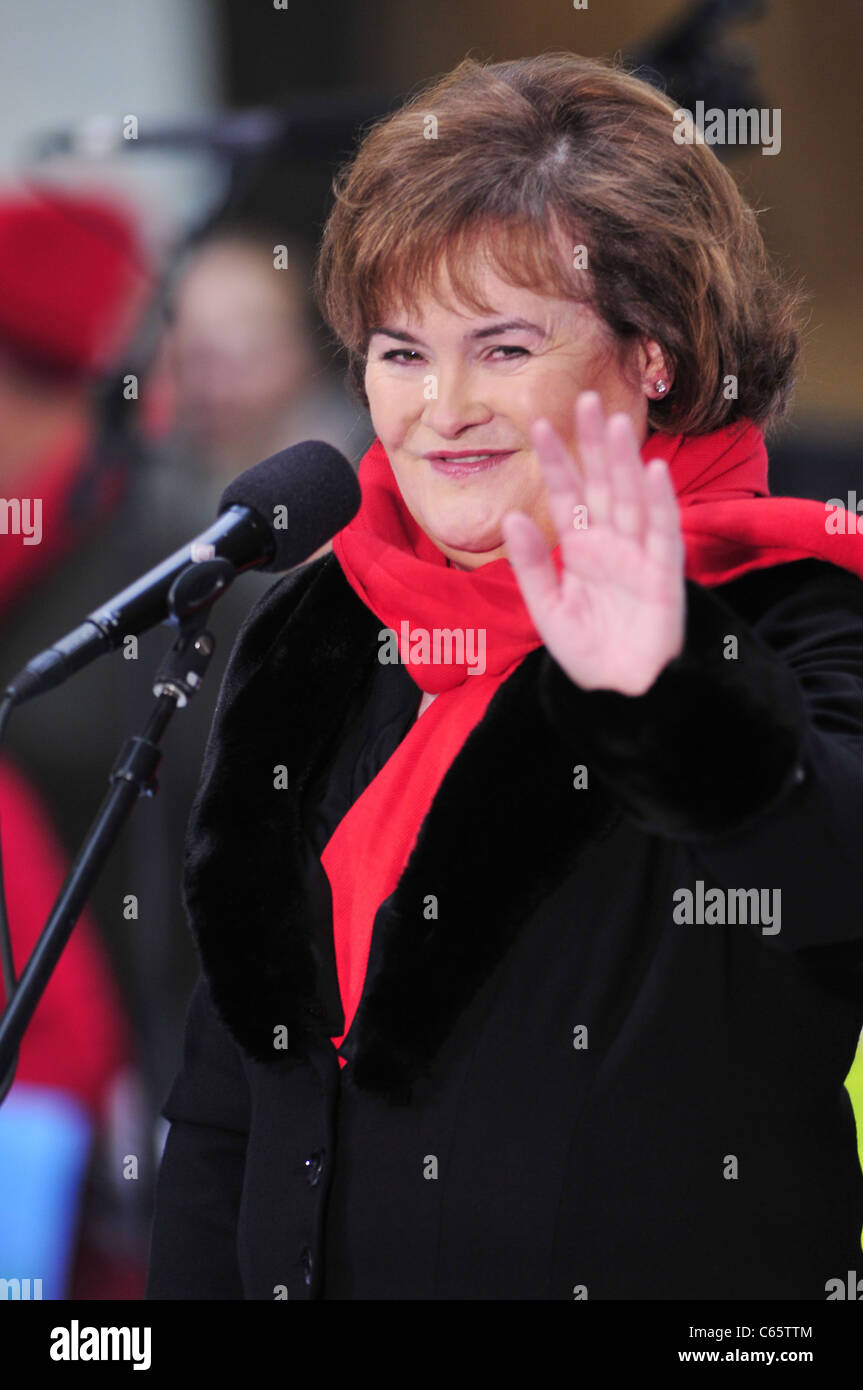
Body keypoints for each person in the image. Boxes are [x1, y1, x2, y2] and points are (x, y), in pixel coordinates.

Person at [146, 52, 863, 1301]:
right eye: (401, 351)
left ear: (655, 354)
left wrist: (668, 693)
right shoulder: (315, 620)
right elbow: (227, 1100)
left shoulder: (790, 603)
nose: (443, 408)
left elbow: (834, 873)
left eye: (505, 344)